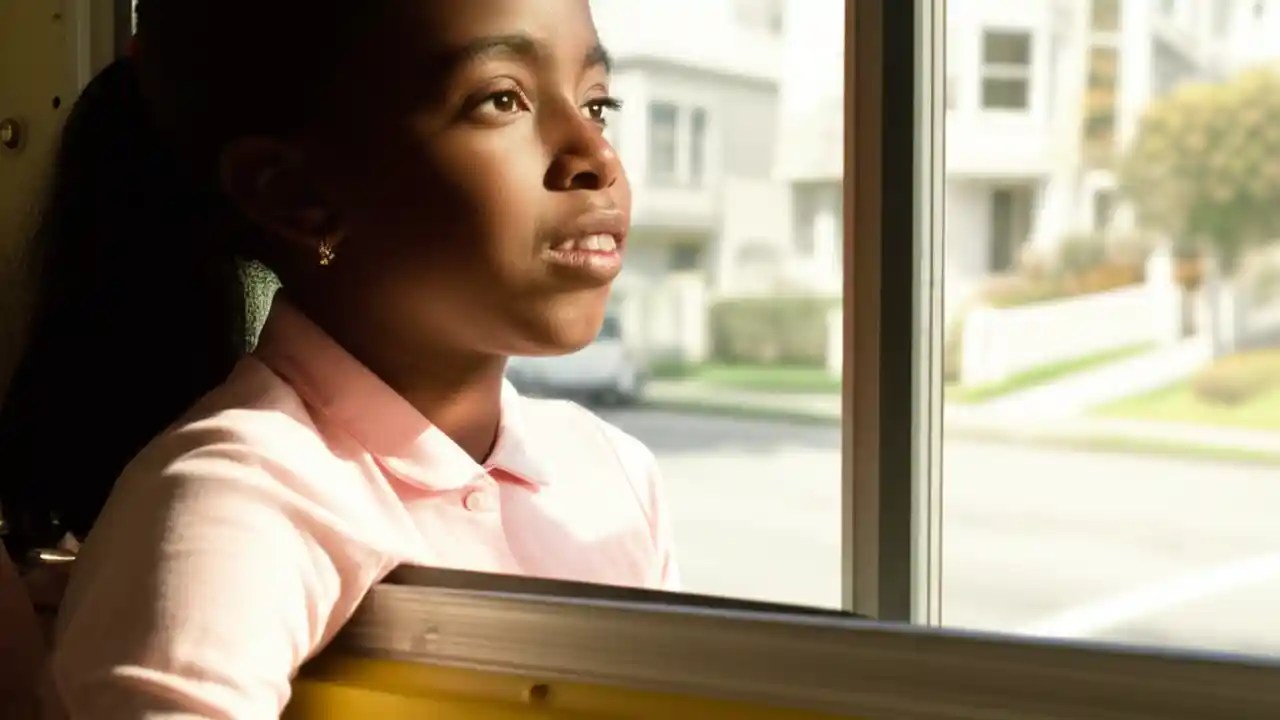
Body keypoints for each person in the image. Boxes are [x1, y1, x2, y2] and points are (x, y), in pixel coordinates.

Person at [0, 0, 679, 716]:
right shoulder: (235, 504)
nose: (595, 158)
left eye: (597, 103)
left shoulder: (616, 477)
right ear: (295, 194)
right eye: (501, 99)